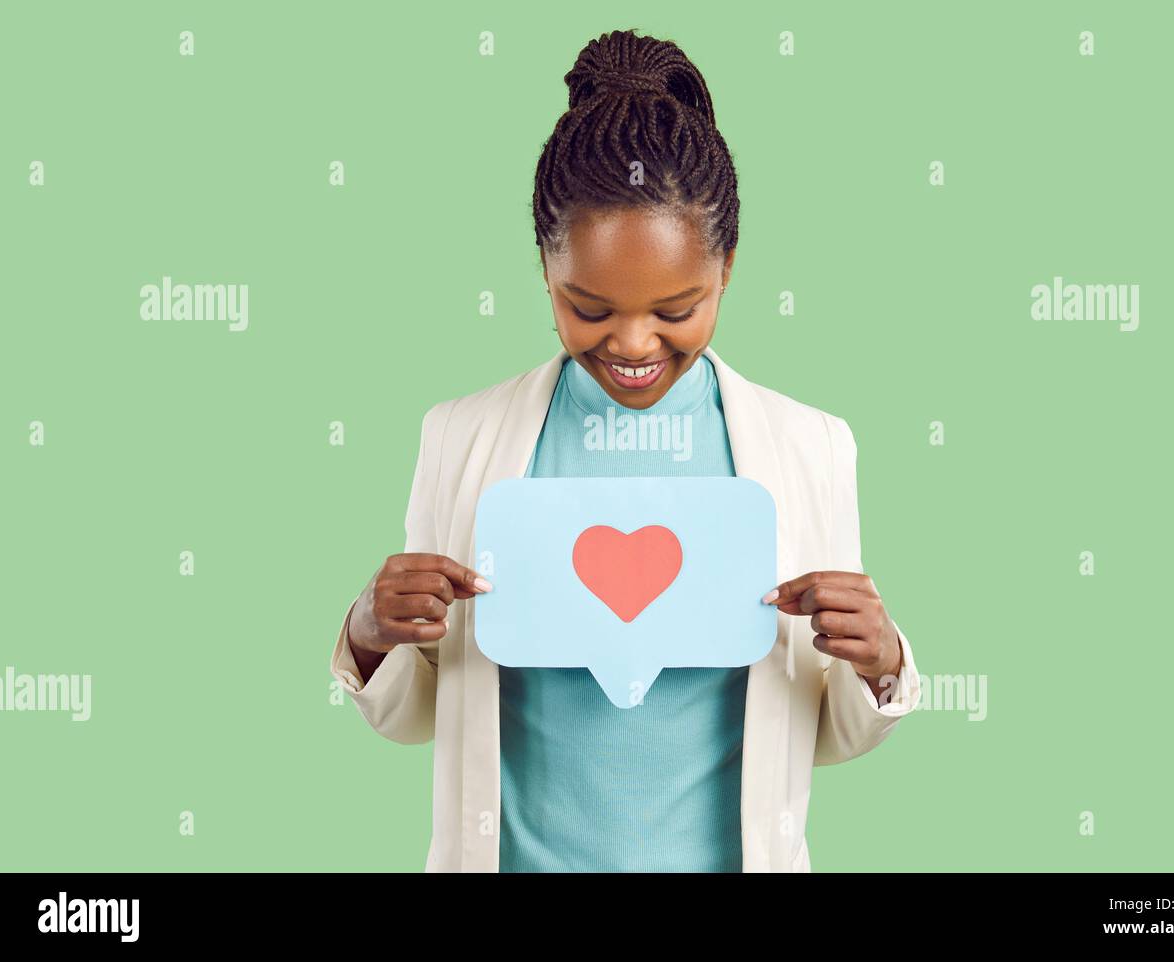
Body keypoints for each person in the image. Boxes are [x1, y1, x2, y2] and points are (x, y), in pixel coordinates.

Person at [330, 28, 923, 873]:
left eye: (676, 308)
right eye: (590, 308)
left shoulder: (811, 448)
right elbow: (421, 713)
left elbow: (819, 734)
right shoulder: (459, 438)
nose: (633, 343)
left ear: (727, 269)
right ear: (545, 269)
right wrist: (370, 632)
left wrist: (881, 657)